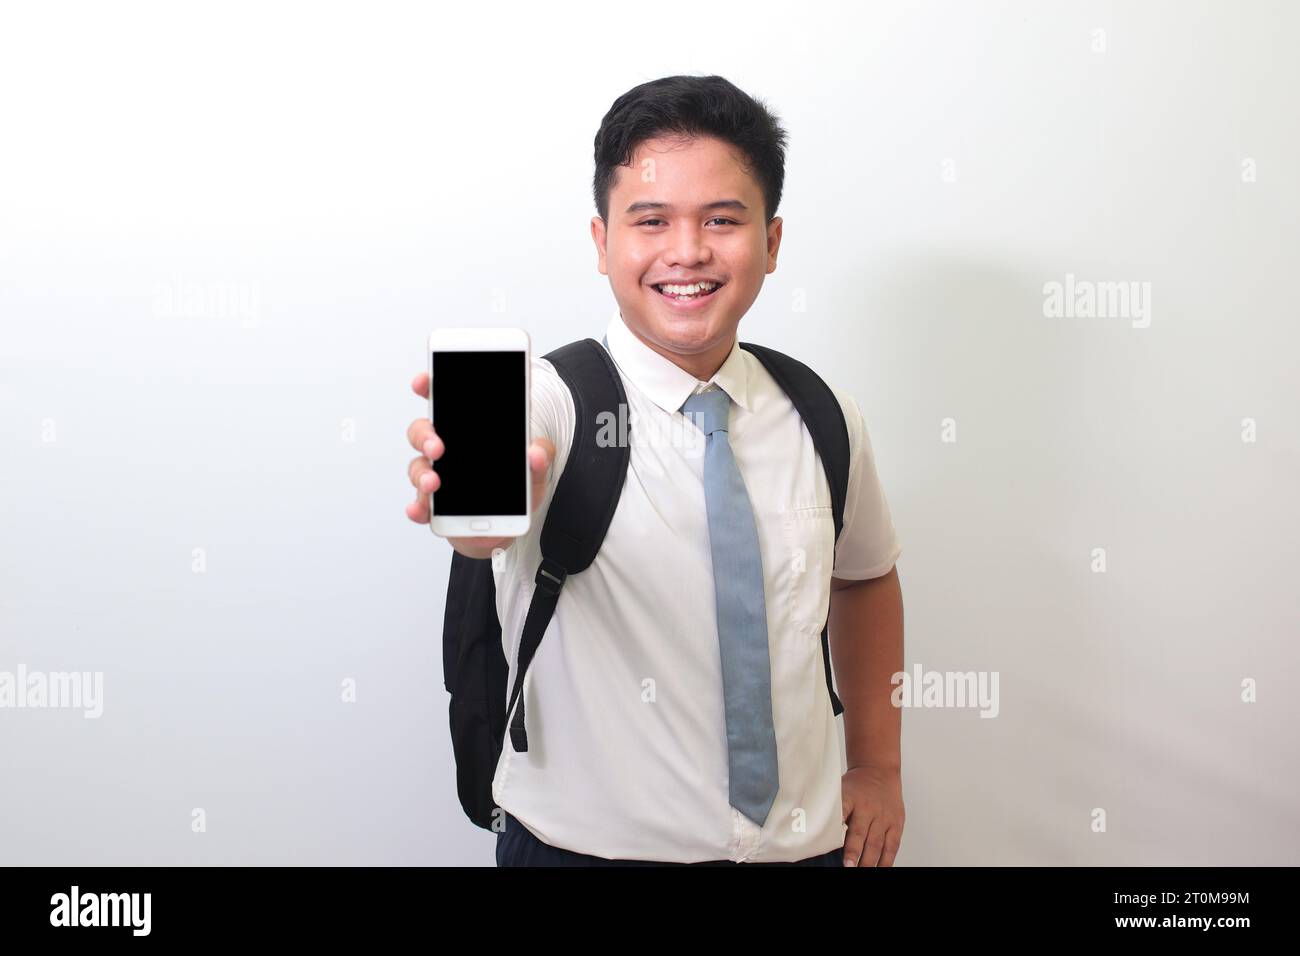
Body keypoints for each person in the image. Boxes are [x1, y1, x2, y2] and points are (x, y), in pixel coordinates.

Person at [406, 75, 905, 867]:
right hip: (581, 857)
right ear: (602, 243)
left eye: (721, 220)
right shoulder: (548, 401)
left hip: (805, 852)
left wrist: (878, 765)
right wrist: (484, 516)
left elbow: (866, 576)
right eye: (652, 221)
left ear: (772, 243)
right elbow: (482, 531)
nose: (688, 251)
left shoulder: (821, 412)